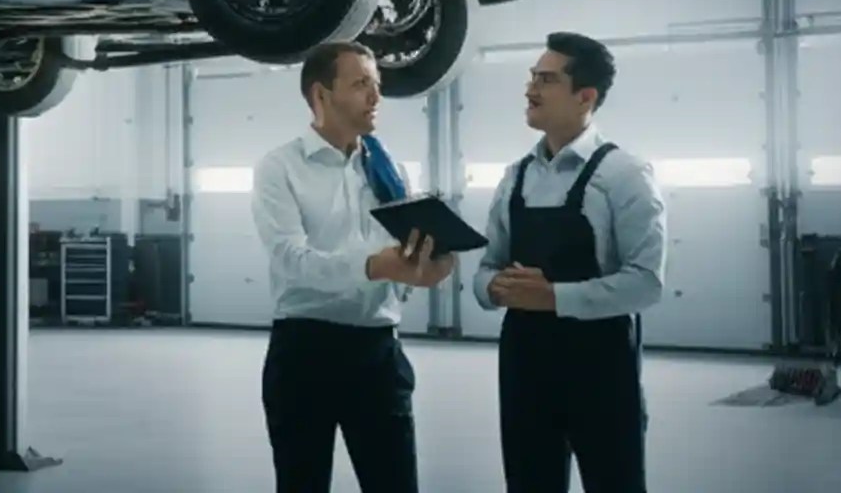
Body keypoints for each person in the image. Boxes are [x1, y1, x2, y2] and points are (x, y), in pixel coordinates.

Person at [250, 41, 456, 493]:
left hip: (378, 355)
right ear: (321, 95)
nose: (376, 96)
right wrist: (375, 267)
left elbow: (401, 255)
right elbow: (291, 260)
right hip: (305, 353)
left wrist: (424, 271)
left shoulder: (387, 168)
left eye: (377, 84)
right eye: (362, 83)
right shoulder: (280, 168)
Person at [473, 32, 668, 493]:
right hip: (523, 362)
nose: (530, 89)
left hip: (600, 367)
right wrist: (495, 288)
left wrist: (553, 297)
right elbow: (486, 267)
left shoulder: (624, 174)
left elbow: (646, 283)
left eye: (546, 79)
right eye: (531, 77)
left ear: (585, 96)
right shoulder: (514, 177)